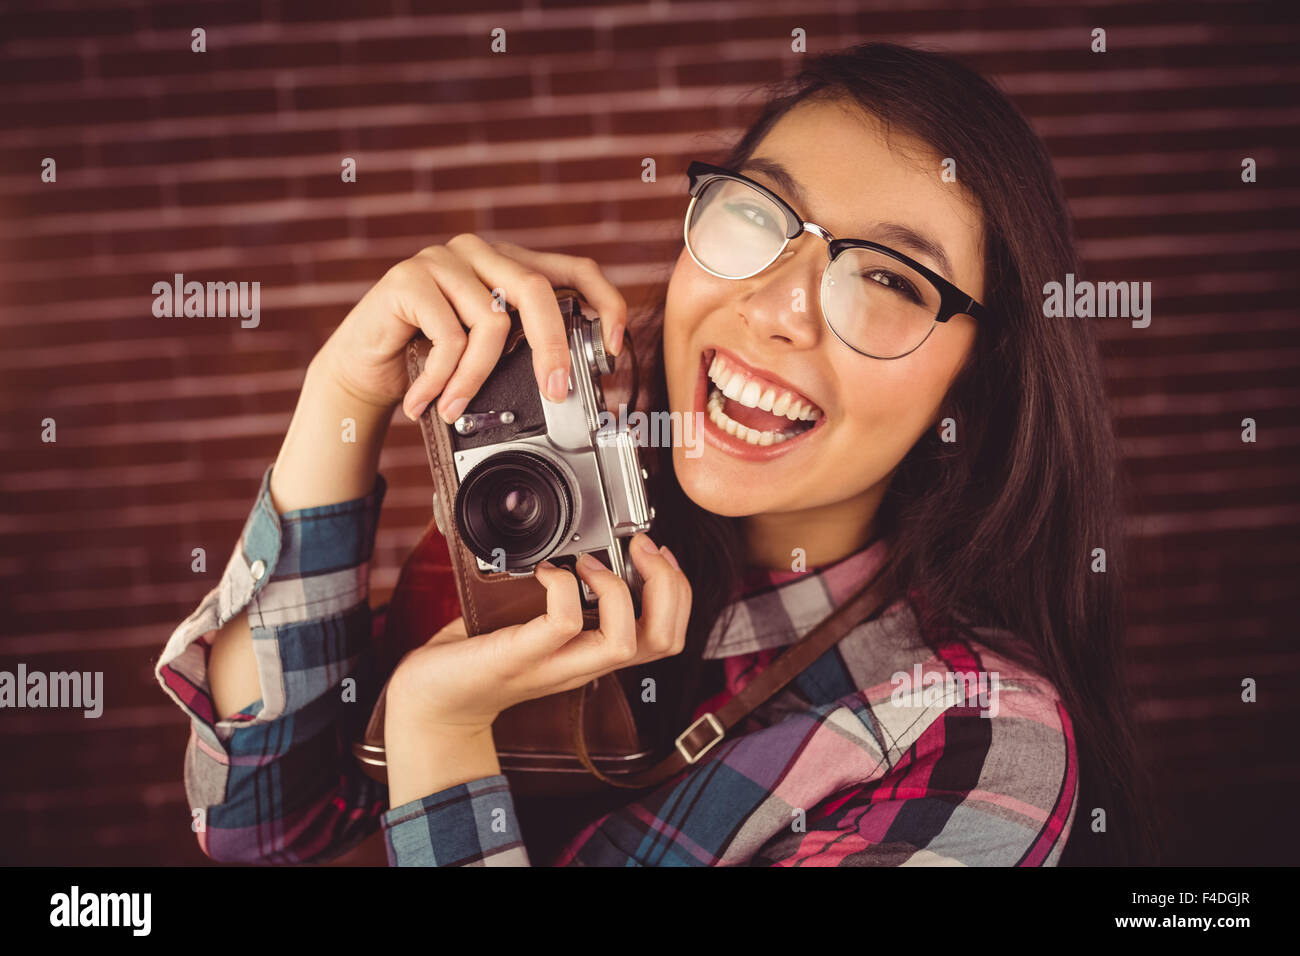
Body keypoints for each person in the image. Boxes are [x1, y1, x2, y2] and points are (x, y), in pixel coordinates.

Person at [155, 42, 1155, 866]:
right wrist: (343, 395)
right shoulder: (545, 521)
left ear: (977, 388)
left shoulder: (973, 740)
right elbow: (259, 830)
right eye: (759, 216)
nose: (772, 306)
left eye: (888, 279)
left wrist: (440, 734)